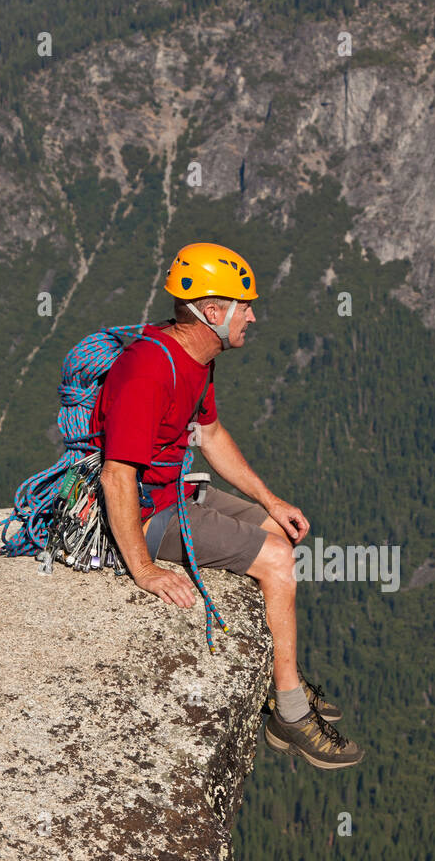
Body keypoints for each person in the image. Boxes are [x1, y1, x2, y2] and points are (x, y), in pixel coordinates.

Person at [91, 242, 364, 770]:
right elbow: (117, 475)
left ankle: (279, 672)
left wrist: (271, 499)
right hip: (147, 514)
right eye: (246, 305)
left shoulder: (196, 359)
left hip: (173, 493)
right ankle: (288, 713)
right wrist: (144, 570)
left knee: (281, 535)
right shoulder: (149, 370)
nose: (253, 316)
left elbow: (210, 435)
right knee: (277, 561)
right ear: (213, 313)